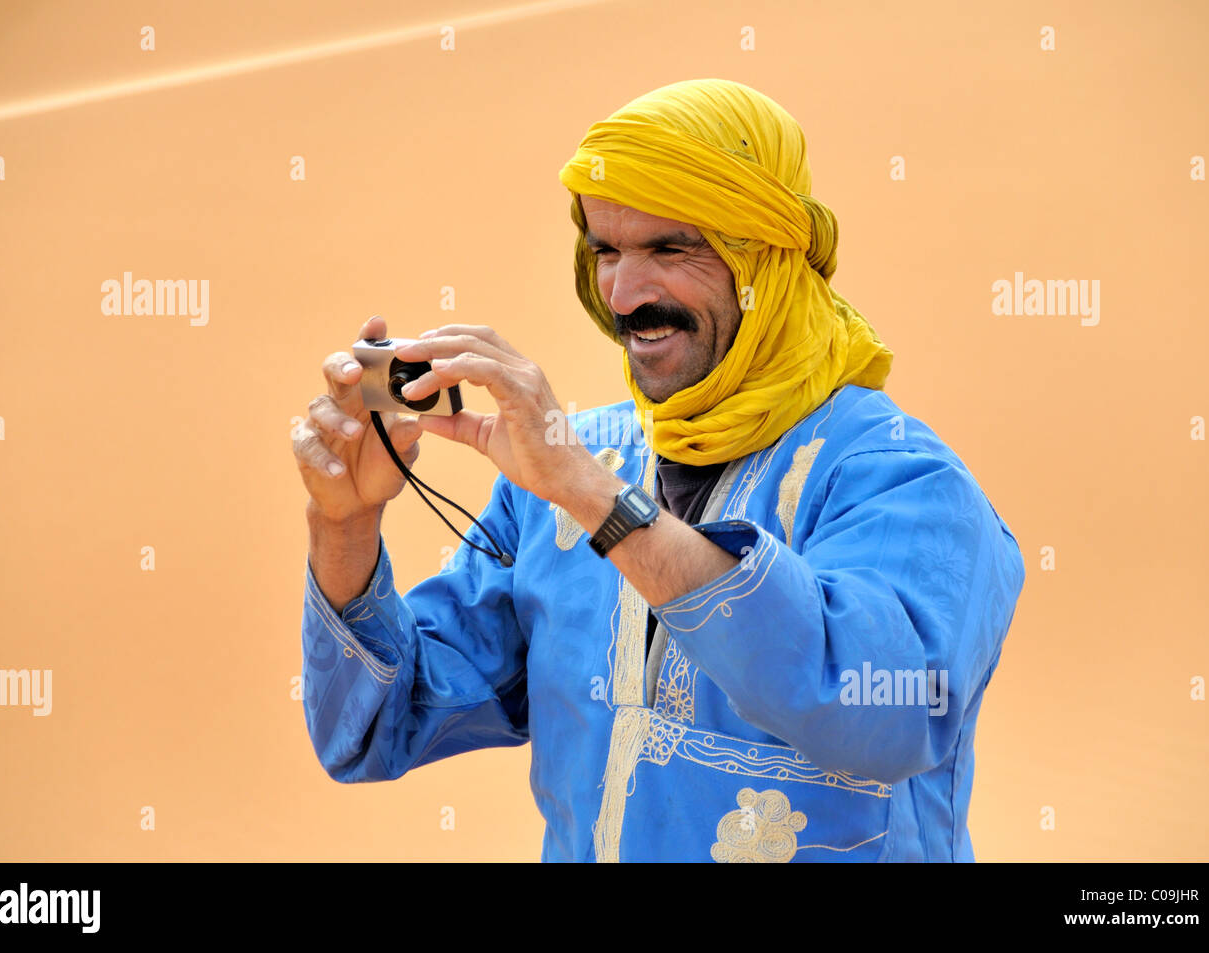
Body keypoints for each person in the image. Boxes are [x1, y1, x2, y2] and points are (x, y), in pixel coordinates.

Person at [291, 78, 1025, 862]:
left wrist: (590, 493)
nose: (625, 293)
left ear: (763, 261)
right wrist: (345, 525)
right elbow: (371, 730)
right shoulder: (560, 475)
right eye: (606, 250)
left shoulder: (903, 481)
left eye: (670, 248)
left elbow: (890, 713)